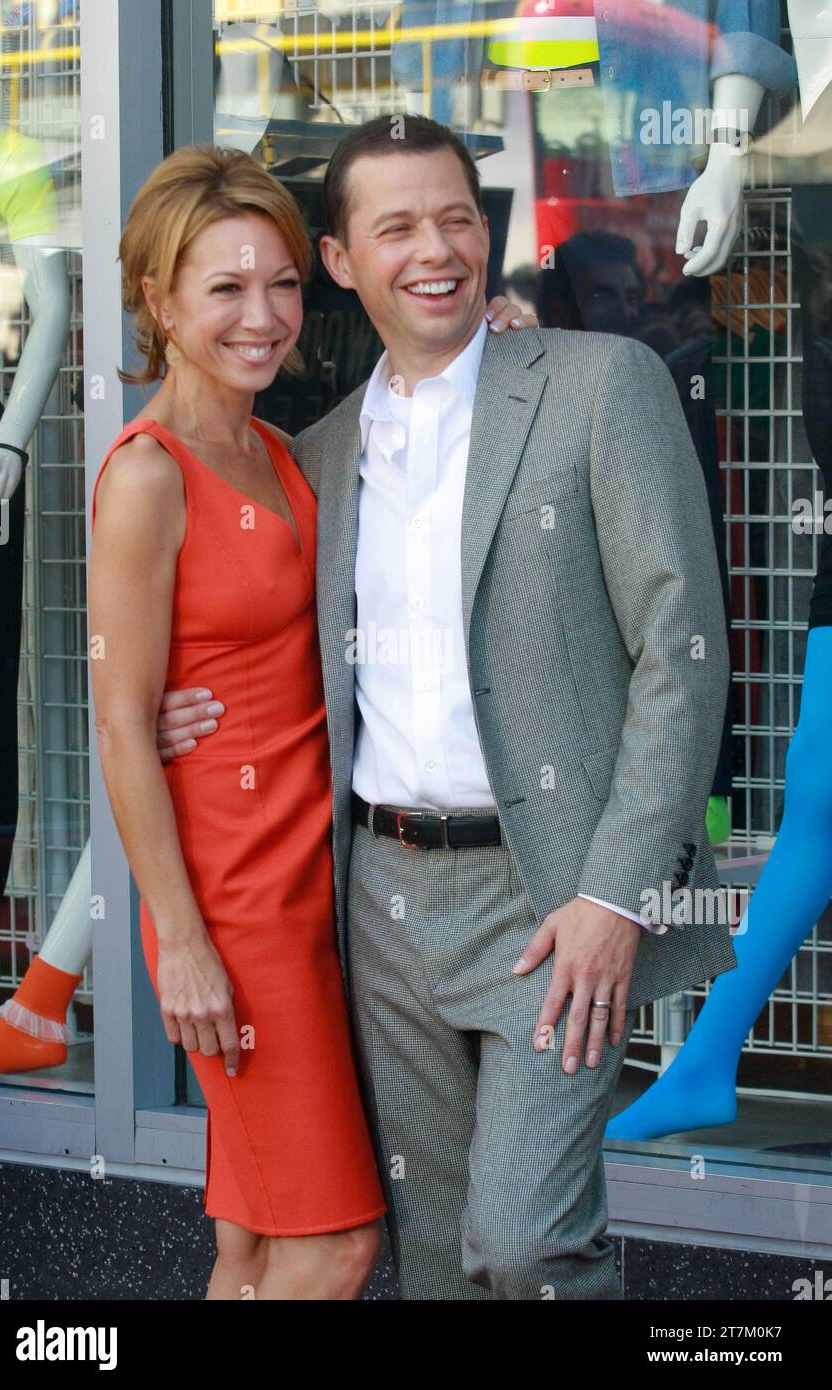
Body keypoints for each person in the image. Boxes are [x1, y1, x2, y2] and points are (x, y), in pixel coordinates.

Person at [157, 115, 736, 1301]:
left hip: (552, 890)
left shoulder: (597, 387)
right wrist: (186, 713)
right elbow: (278, 652)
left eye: (458, 217)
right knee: (427, 1254)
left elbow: (682, 653)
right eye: (397, 225)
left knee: (521, 1247)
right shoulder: (307, 457)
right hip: (378, 899)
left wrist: (614, 894)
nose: (436, 248)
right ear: (340, 261)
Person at [89, 143, 527, 1300]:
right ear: (158, 301)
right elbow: (123, 724)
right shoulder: (148, 475)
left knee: (250, 1243)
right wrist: (179, 940)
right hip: (236, 914)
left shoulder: (290, 451)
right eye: (224, 288)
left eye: (281, 281)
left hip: (325, 880)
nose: (262, 314)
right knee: (335, 1243)